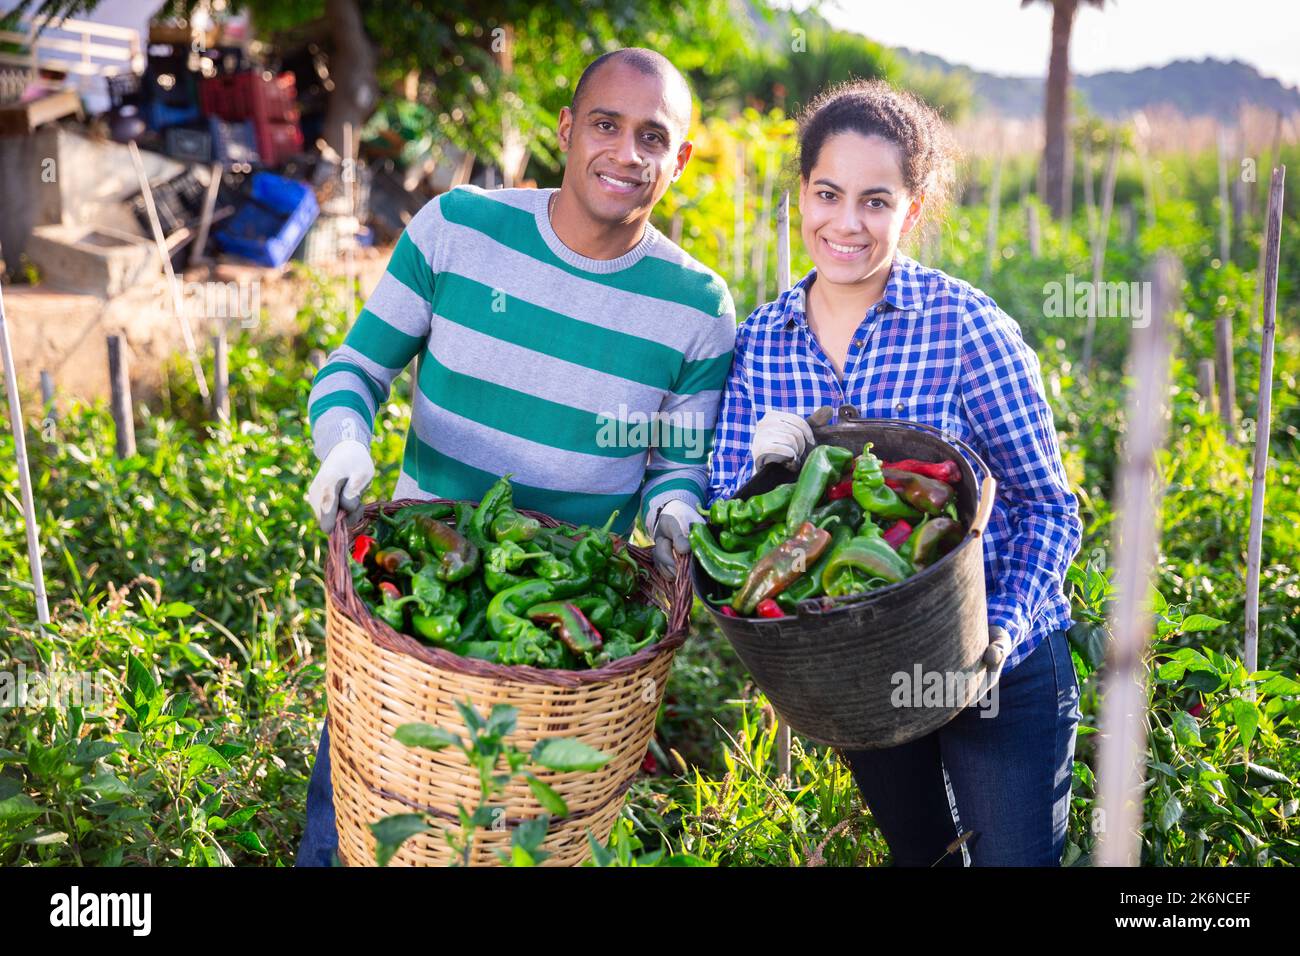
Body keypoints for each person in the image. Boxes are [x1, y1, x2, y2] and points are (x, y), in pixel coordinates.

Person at [297, 48, 732, 866]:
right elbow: (353, 371)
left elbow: (676, 463)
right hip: (414, 607)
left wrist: (678, 516)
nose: (626, 153)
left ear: (680, 159)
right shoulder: (459, 228)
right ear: (566, 130)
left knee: (524, 843)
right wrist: (346, 446)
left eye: (652, 136)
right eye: (606, 124)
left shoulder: (698, 307)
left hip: (568, 642)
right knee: (362, 819)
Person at [708, 79, 1084, 866]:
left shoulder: (968, 328)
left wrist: (997, 635)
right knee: (928, 861)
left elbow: (1049, 508)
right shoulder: (760, 345)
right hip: (863, 676)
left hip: (999, 674)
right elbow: (727, 515)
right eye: (828, 193)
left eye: (876, 201)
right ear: (801, 195)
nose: (846, 223)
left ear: (911, 211)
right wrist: (757, 468)